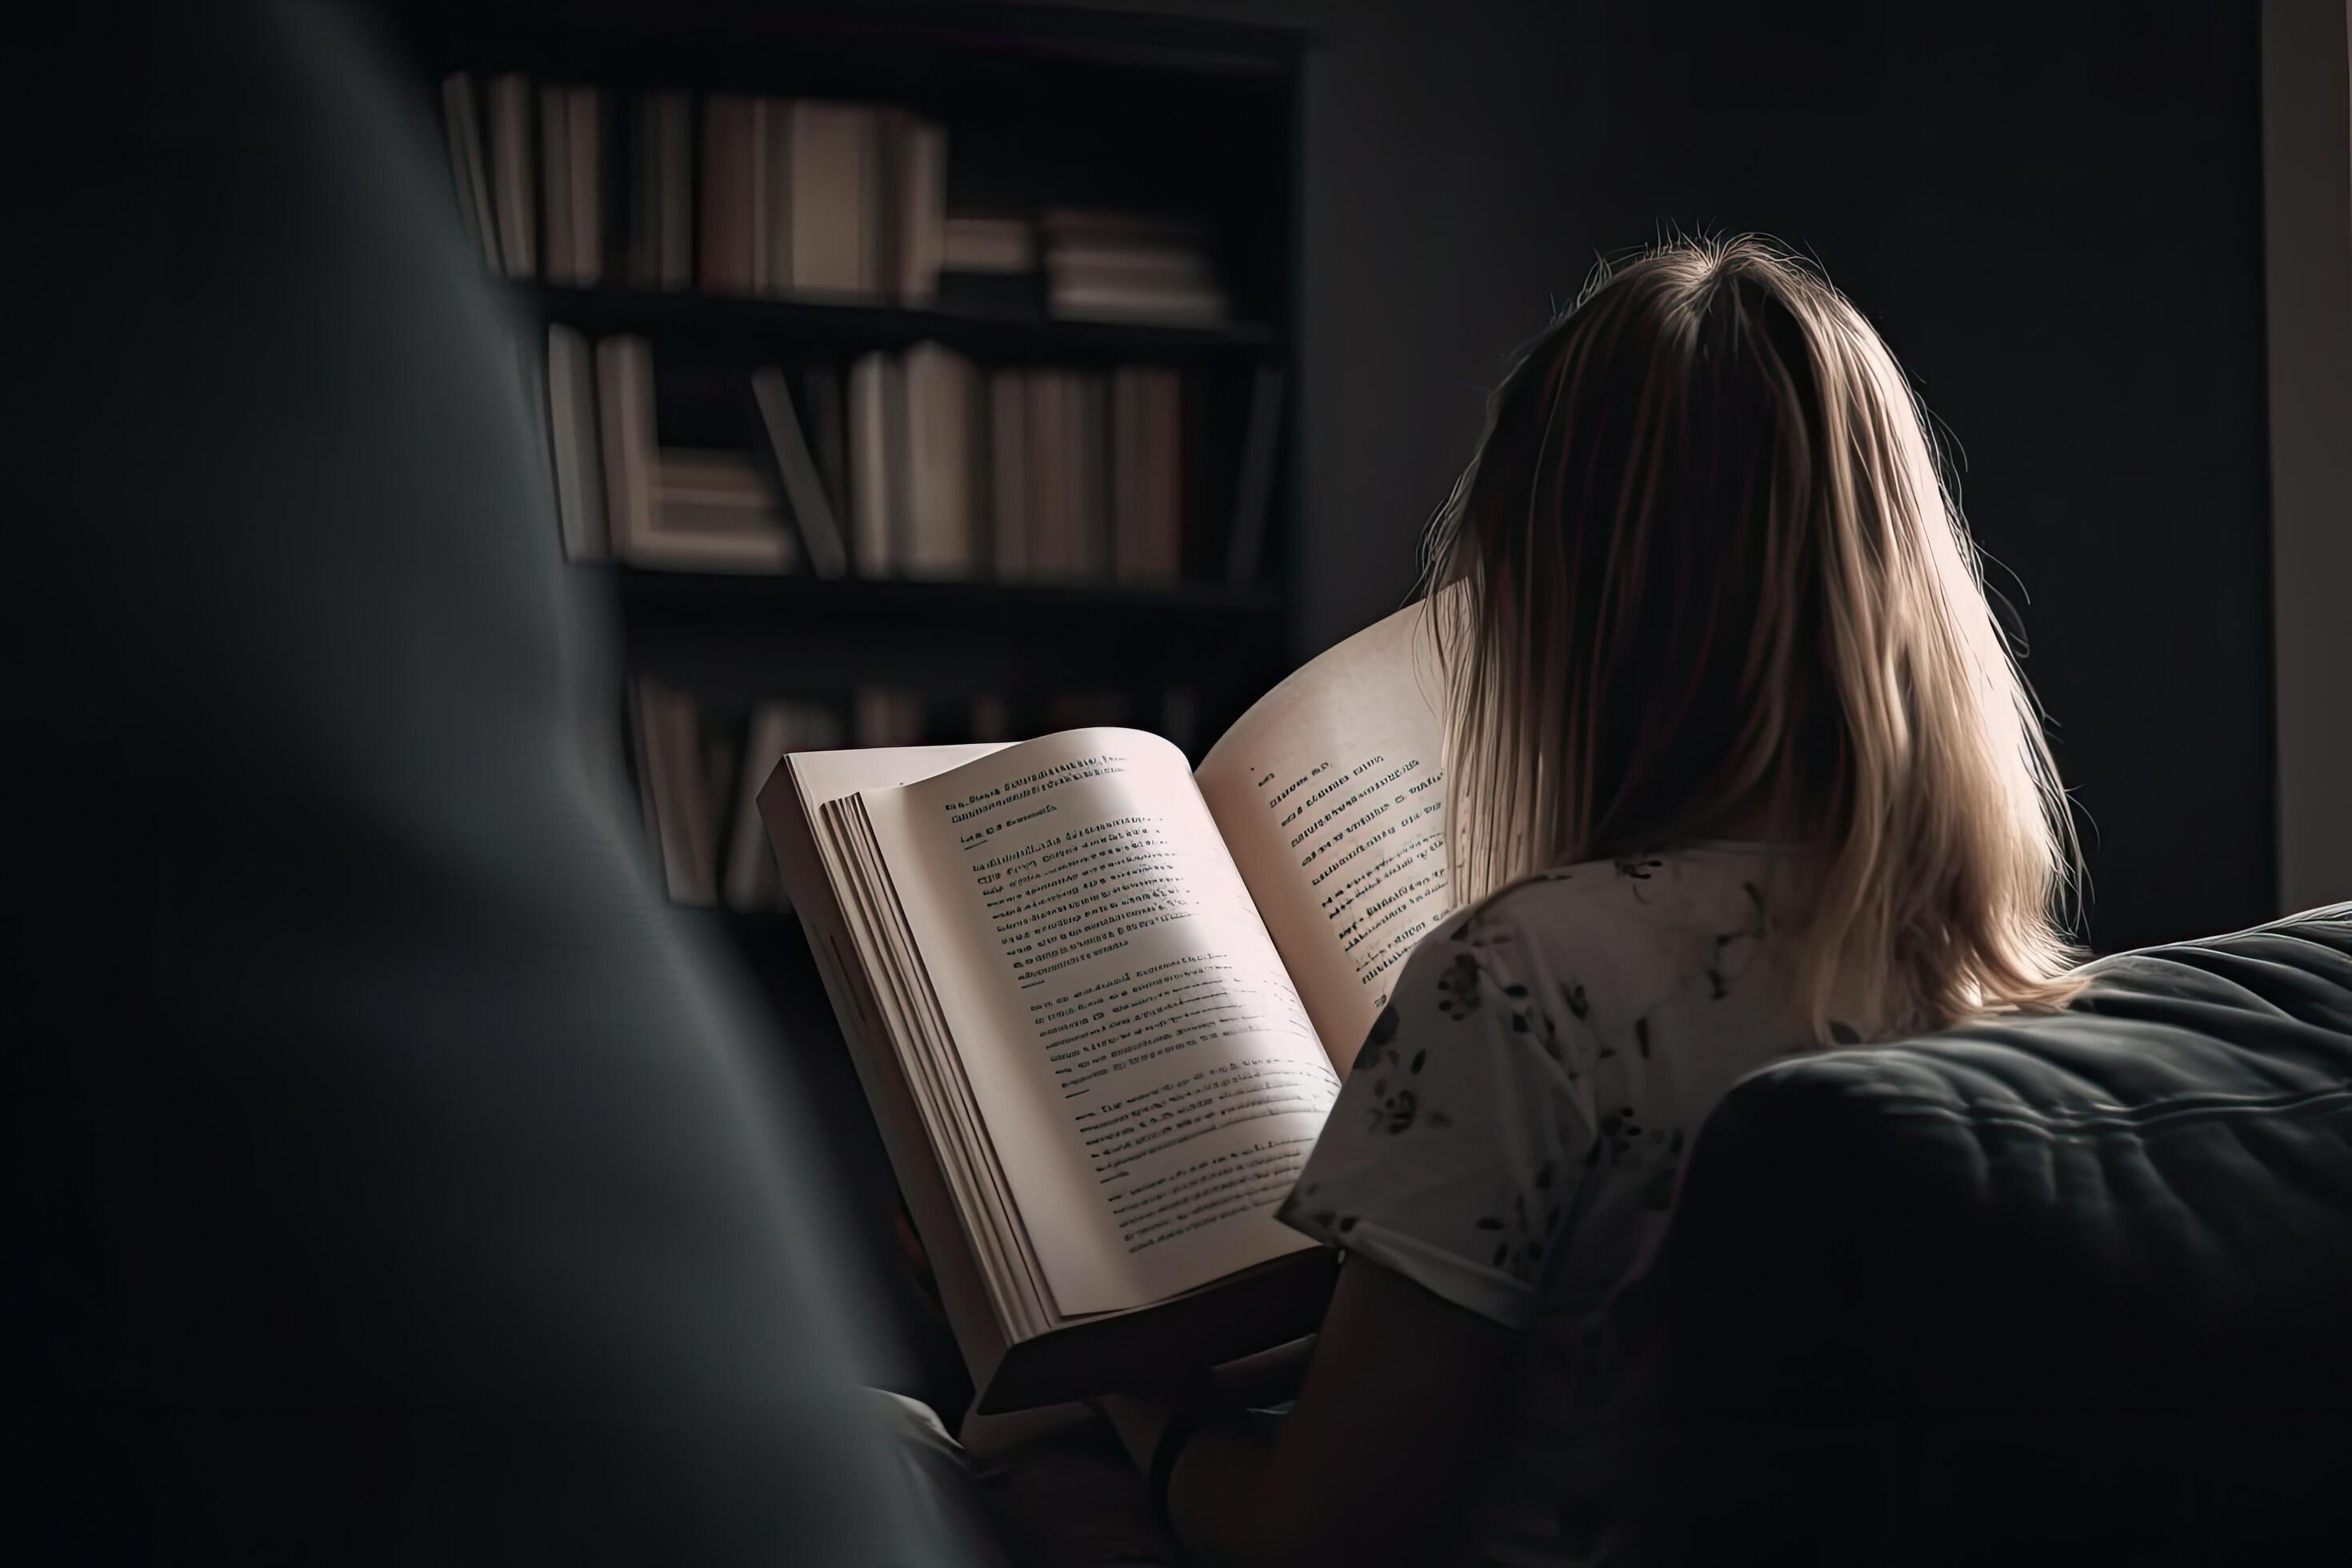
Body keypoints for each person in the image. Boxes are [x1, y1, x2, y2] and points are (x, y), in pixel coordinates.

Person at [960, 234, 2087, 1567]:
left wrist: (1118, 1393)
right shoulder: (2021, 994)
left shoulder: (1524, 984)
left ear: (1559, 611)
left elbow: (1311, 1545)